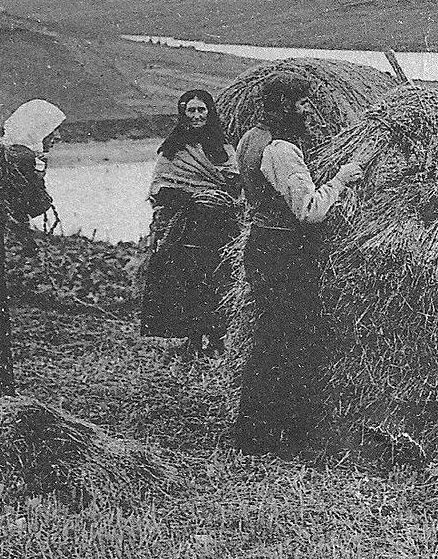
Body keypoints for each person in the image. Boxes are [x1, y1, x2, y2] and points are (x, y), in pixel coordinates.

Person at [234, 72, 363, 455]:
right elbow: (309, 210)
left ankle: (257, 431)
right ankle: (281, 435)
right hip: (286, 252)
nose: (308, 110)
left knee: (272, 338)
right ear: (284, 105)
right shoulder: (281, 149)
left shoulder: (251, 138)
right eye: (302, 102)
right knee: (291, 341)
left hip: (263, 244)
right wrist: (341, 180)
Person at [138, 90, 241, 356]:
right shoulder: (174, 148)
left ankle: (217, 340)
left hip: (220, 225)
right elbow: (159, 187)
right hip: (188, 226)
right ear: (183, 114)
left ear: (210, 112)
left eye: (201, 110)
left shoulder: (223, 146)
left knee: (218, 280)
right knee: (190, 282)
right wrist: (195, 196)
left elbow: (236, 182)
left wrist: (223, 194)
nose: (197, 116)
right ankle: (193, 339)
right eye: (191, 111)